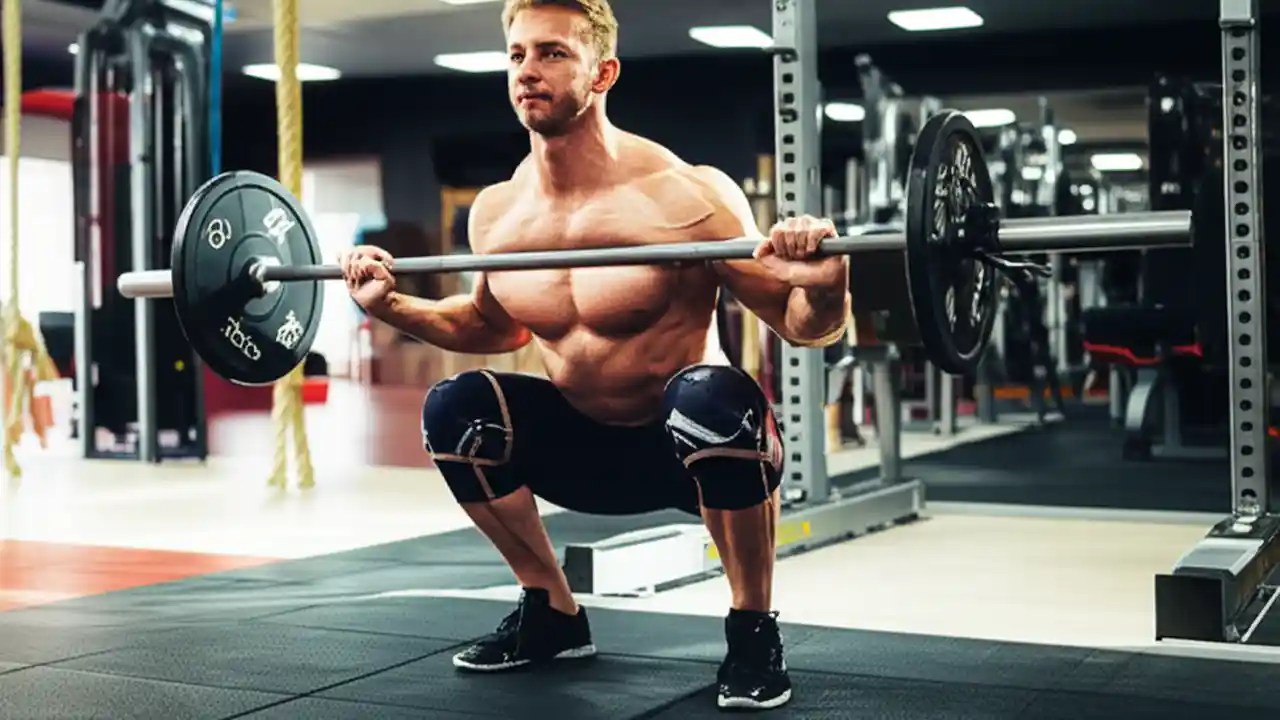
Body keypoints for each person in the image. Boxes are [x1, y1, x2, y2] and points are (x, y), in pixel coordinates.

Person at [339, 0, 850, 711]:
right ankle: (551, 610)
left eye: (552, 53)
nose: (528, 71)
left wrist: (827, 287)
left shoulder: (688, 195)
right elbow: (494, 325)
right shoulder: (497, 212)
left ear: (602, 72)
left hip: (695, 450)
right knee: (456, 411)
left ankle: (752, 627)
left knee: (709, 396)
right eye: (517, 55)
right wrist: (390, 305)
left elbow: (802, 327)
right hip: (580, 450)